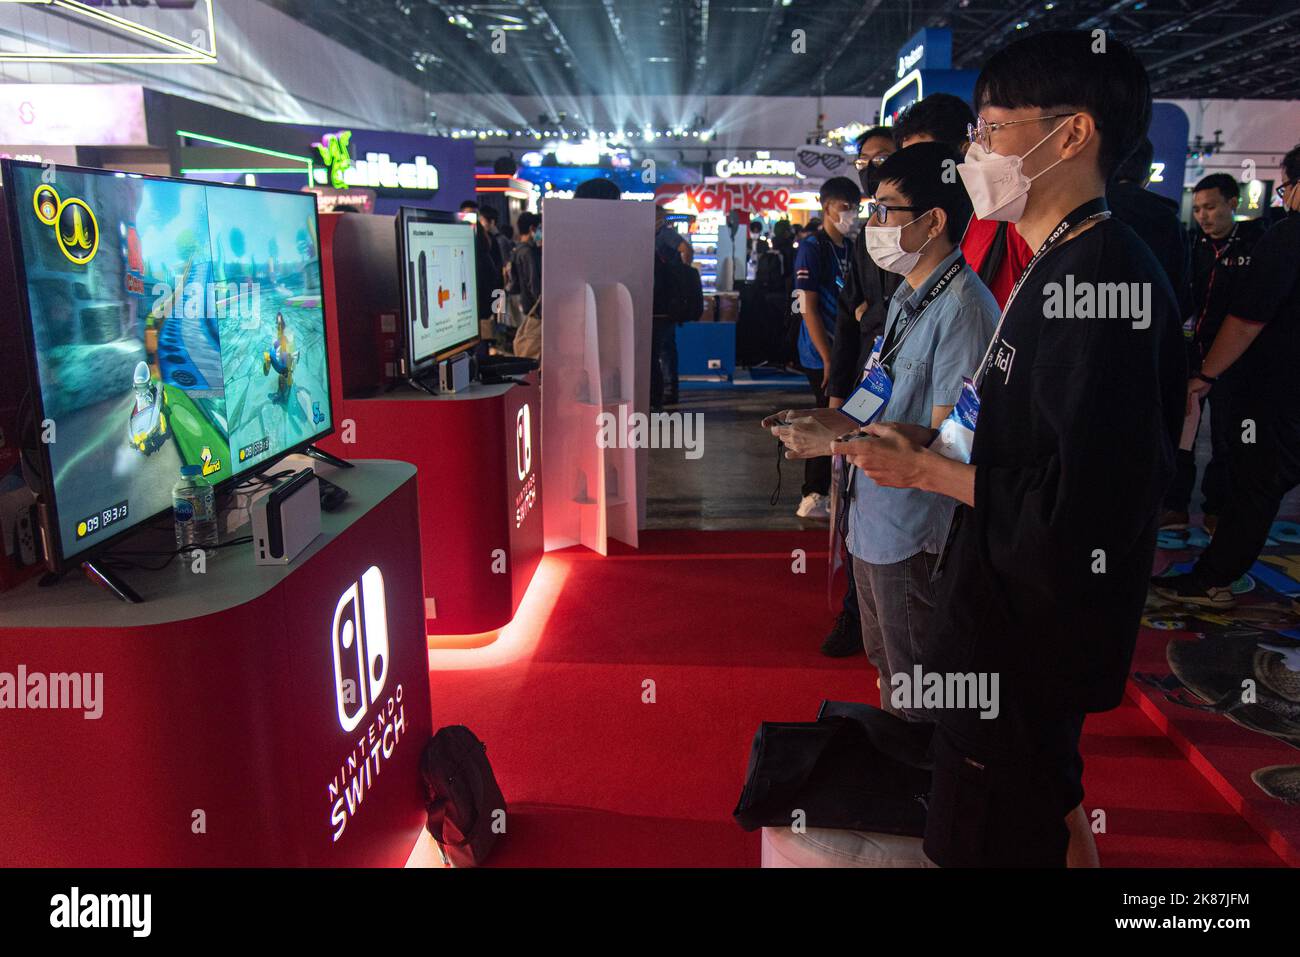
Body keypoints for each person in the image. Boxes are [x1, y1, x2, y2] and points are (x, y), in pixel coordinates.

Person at [833, 30, 1184, 867]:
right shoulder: (1053, 263)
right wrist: (928, 438)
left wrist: (926, 471)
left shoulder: (1101, 282)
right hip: (1007, 619)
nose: (974, 154)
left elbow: (1084, 505)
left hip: (1026, 636)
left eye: (991, 131)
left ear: (1072, 134)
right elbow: (1020, 429)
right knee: (1033, 808)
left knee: (987, 832)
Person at [769, 143, 999, 710]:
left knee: (914, 671)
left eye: (885, 210)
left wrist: (839, 439)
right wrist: (825, 422)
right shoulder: (906, 299)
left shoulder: (964, 308)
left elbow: (951, 443)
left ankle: (925, 780)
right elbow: (879, 395)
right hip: (871, 509)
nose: (872, 225)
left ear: (934, 220)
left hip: (914, 523)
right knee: (885, 659)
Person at [1153, 146, 1300, 609]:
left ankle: (1212, 580)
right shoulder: (1197, 247)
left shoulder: (1283, 238)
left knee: (1254, 483)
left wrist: (1207, 374)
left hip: (1272, 390)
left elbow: (1248, 319)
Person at [818, 125, 902, 657]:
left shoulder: (948, 244)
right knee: (857, 501)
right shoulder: (872, 240)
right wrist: (835, 389)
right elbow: (851, 318)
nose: (871, 169)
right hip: (868, 385)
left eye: (883, 159)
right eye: (864, 160)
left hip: (916, 389)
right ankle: (859, 613)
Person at [1160, 173, 1267, 531]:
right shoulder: (1192, 246)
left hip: (1235, 362)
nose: (1204, 215)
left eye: (1211, 207)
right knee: (1183, 434)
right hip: (1193, 357)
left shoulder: (1256, 246)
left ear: (1232, 203)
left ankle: (1217, 509)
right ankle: (1174, 506)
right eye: (1200, 208)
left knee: (1226, 437)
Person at [791, 176, 862, 520]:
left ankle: (837, 489)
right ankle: (813, 493)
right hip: (821, 352)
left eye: (855, 207)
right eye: (844, 207)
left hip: (847, 347)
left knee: (845, 419)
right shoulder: (813, 247)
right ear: (826, 208)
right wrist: (827, 357)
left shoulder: (851, 247)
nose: (851, 214)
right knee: (824, 420)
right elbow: (808, 306)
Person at [1106, 137, 1189, 315]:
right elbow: (1180, 298)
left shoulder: (1091, 211)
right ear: (1147, 177)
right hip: (1149, 331)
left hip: (1088, 329)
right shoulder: (1170, 224)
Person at [509, 212, 543, 360]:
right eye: (540, 228)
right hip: (535, 312)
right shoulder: (528, 252)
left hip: (527, 307)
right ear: (532, 229)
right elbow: (534, 283)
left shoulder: (517, 250)